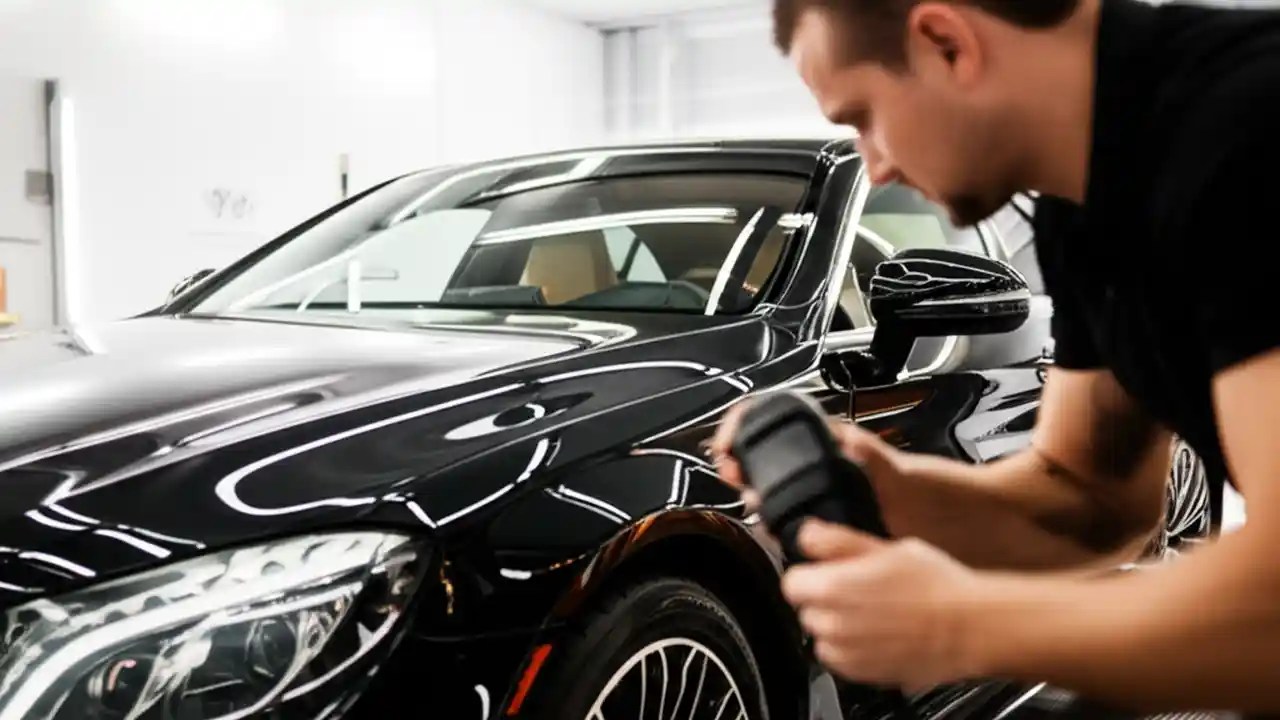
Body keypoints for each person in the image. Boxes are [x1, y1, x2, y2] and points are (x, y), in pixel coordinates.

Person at [709, 0, 1280, 714]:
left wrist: (960, 624)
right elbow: (1089, 498)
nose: (876, 165)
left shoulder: (1249, 128)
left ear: (946, 43)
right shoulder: (1085, 213)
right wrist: (887, 486)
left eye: (862, 118)